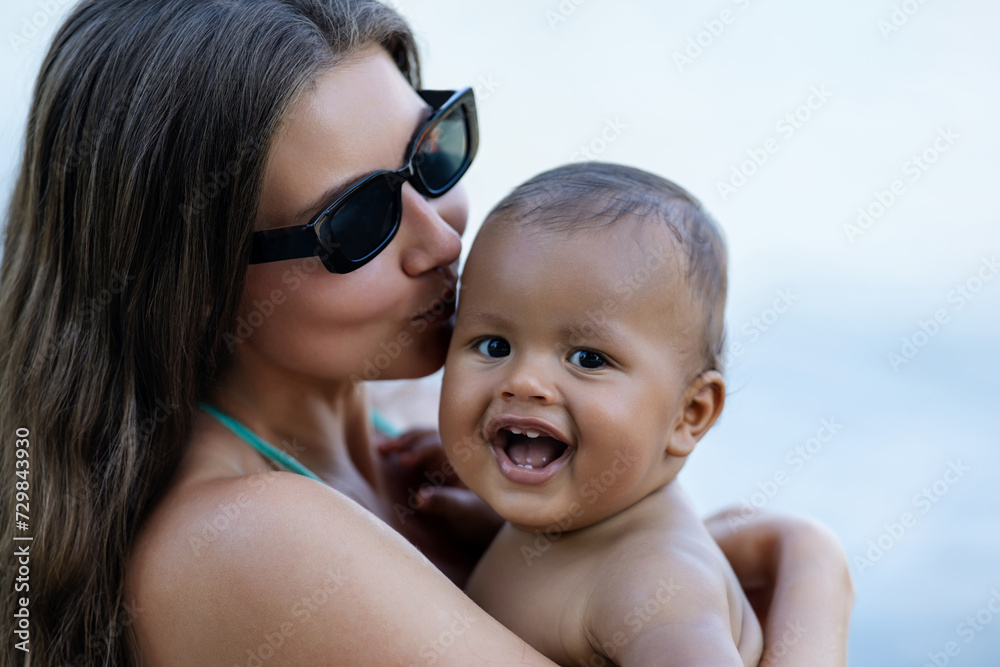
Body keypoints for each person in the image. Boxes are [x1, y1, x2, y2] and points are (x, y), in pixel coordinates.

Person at [0, 1, 852, 665]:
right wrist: (811, 566)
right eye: (361, 217)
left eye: (430, 156)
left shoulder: (404, 433)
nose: (443, 238)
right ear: (191, 284)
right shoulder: (248, 541)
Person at [439, 162, 761, 665]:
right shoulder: (578, 523)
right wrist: (479, 527)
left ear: (688, 415)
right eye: (495, 344)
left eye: (588, 358)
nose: (523, 380)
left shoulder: (655, 583)